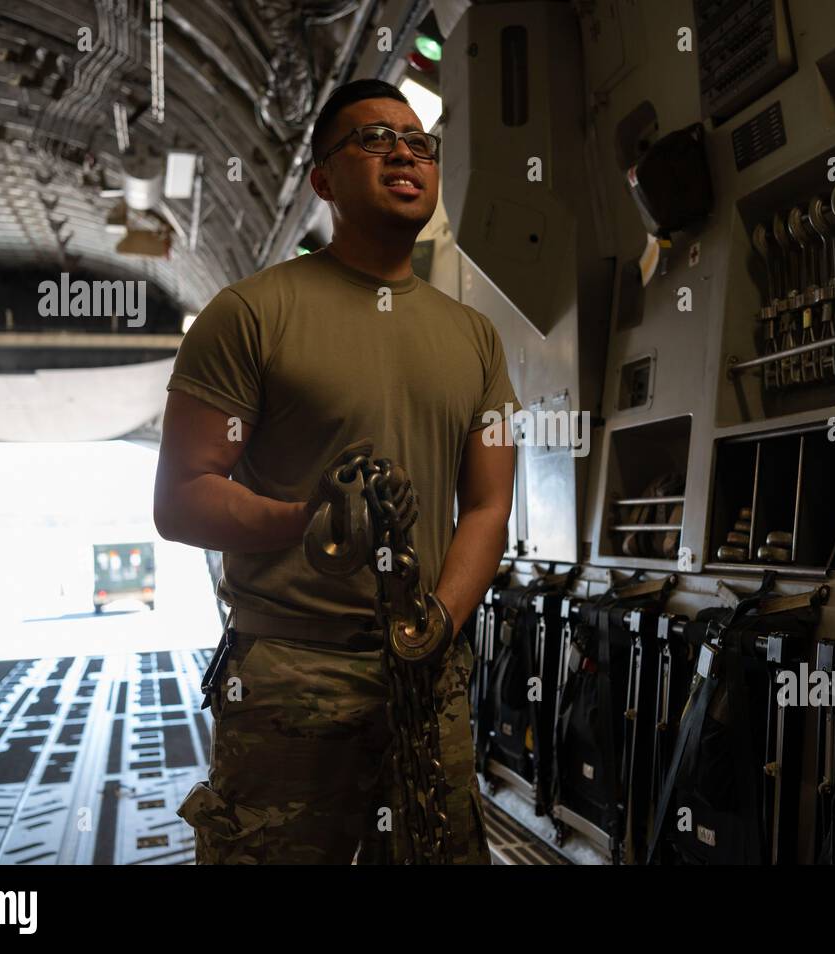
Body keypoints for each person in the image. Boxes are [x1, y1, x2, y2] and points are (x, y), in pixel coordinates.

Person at [155, 77, 519, 864]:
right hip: (290, 676)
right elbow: (181, 498)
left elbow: (489, 507)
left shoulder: (477, 340)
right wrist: (304, 520)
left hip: (426, 681)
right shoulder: (251, 315)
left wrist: (438, 627)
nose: (404, 154)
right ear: (321, 179)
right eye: (374, 139)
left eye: (419, 142)